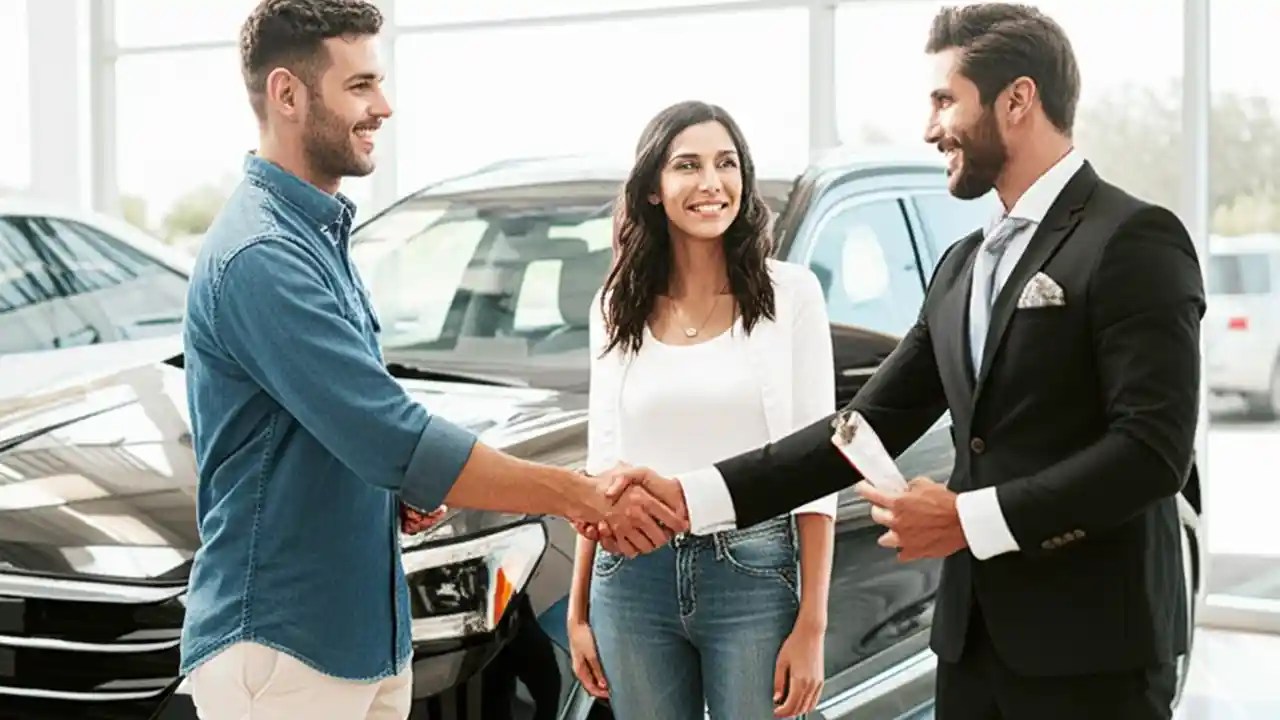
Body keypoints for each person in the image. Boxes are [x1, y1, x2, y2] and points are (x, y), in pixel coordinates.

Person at [595, 4, 1205, 719]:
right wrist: (684, 497)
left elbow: (1153, 452)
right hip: (972, 647)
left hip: (1097, 651)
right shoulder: (960, 266)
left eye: (945, 100)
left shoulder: (1134, 238)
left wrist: (969, 519)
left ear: (1017, 101)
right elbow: (861, 428)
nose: (929, 127)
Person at [178, 2, 682, 718]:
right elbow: (385, 433)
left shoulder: (314, 234)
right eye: (360, 86)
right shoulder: (262, 254)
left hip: (360, 638)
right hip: (284, 647)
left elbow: (337, 420)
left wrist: (398, 485)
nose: (383, 106)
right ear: (287, 94)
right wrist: (577, 495)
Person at [567, 101, 838, 720]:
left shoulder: (790, 295)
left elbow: (819, 471)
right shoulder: (616, 305)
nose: (711, 183)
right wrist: (580, 612)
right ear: (654, 190)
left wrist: (812, 627)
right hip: (630, 579)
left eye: (726, 164)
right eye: (687, 165)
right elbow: (601, 463)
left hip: (752, 571)